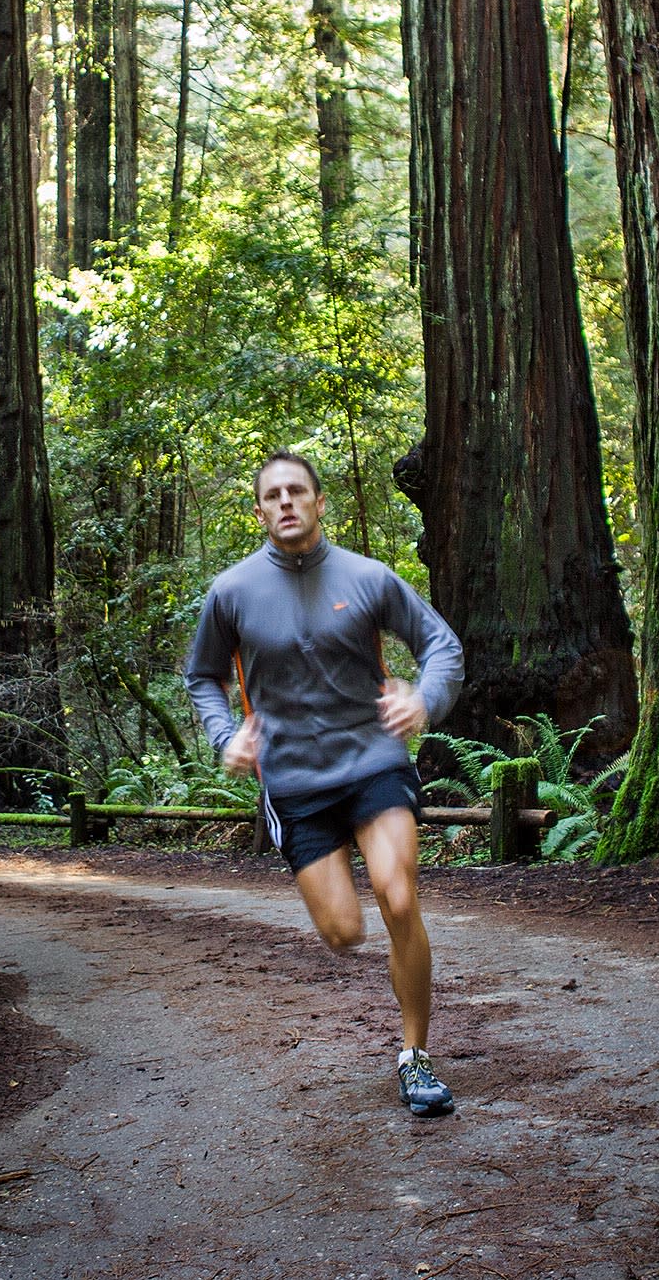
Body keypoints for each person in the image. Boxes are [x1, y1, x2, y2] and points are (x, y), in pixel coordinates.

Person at [183, 450, 465, 1116]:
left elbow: (441, 644)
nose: (285, 501)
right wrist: (228, 736)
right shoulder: (232, 591)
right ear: (259, 511)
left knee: (399, 898)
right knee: (344, 932)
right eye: (273, 494)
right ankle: (355, 922)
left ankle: (415, 1057)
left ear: (318, 502)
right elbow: (203, 677)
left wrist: (425, 699)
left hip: (373, 761)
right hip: (296, 782)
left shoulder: (367, 577)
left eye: (297, 491)